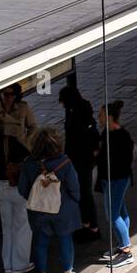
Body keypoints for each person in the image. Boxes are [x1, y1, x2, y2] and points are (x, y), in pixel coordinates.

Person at [18, 127, 82, 273]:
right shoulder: (64, 162)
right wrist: (74, 200)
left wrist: (36, 199)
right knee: (65, 240)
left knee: (40, 242)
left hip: (38, 211)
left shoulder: (29, 163)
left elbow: (22, 189)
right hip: (62, 210)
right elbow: (74, 186)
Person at [97, 100, 135, 268]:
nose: (98, 117)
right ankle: (122, 245)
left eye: (101, 115)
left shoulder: (123, 136)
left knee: (112, 215)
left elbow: (125, 161)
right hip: (108, 178)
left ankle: (126, 251)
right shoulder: (106, 132)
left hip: (118, 179)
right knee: (120, 211)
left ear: (109, 117)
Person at [59, 86, 100, 238]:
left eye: (63, 100)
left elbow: (76, 138)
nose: (61, 104)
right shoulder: (79, 110)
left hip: (81, 160)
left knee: (84, 193)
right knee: (83, 192)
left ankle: (92, 227)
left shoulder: (78, 113)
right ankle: (88, 224)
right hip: (81, 159)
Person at [0, 83, 37, 165]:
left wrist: (26, 141)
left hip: (20, 148)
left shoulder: (23, 107)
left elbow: (32, 126)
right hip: (1, 149)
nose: (9, 97)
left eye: (12, 94)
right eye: (6, 94)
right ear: (0, 95)